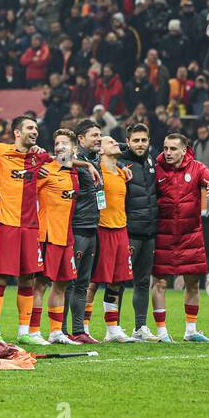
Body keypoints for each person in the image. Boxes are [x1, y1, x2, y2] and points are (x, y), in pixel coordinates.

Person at [0, 115, 52, 340]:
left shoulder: (39, 157)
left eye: (36, 128)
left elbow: (65, 163)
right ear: (17, 133)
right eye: (30, 128)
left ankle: (24, 332)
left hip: (30, 226)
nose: (35, 131)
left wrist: (87, 164)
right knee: (1, 277)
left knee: (28, 278)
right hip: (6, 223)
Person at [152, 132, 209, 343]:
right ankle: (161, 332)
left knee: (193, 283)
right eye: (165, 148)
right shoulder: (155, 169)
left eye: (173, 149)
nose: (167, 152)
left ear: (184, 150)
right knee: (159, 283)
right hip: (163, 234)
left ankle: (190, 331)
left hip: (190, 236)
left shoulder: (197, 168)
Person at [36, 128, 80, 344]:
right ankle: (33, 331)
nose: (59, 146)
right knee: (40, 284)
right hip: (48, 235)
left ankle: (55, 332)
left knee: (62, 284)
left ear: (74, 149)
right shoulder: (46, 170)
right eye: (57, 143)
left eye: (64, 143)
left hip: (66, 237)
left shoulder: (75, 172)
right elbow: (25, 191)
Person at [92, 135, 135, 342]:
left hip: (121, 229)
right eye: (110, 142)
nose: (116, 144)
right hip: (102, 229)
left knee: (116, 282)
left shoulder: (121, 172)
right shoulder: (94, 171)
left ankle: (112, 329)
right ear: (100, 150)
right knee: (93, 282)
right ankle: (83, 328)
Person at [120, 123, 160, 339]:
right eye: (135, 140)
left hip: (149, 232)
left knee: (143, 281)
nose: (140, 144)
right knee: (118, 281)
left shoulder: (151, 162)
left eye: (144, 140)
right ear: (127, 142)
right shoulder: (119, 163)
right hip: (129, 232)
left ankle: (140, 327)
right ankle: (113, 328)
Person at [66, 119, 104, 343]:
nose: (98, 138)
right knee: (69, 282)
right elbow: (60, 161)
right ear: (81, 139)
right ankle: (60, 330)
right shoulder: (75, 158)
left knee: (83, 282)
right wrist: (86, 165)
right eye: (94, 135)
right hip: (76, 227)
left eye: (100, 135)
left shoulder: (95, 159)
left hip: (92, 227)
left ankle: (79, 330)